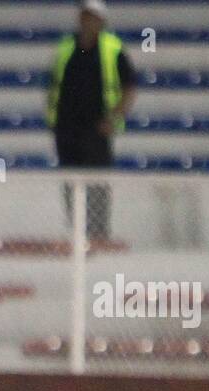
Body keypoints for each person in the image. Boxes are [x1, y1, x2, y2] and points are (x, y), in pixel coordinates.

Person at [46, 0, 137, 241]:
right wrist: (52, 117)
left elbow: (129, 88)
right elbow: (54, 84)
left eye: (92, 16)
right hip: (67, 129)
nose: (87, 21)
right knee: (70, 182)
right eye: (84, 15)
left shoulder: (113, 48)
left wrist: (113, 118)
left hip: (97, 130)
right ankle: (76, 232)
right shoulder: (66, 47)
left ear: (101, 20)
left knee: (97, 183)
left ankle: (98, 235)